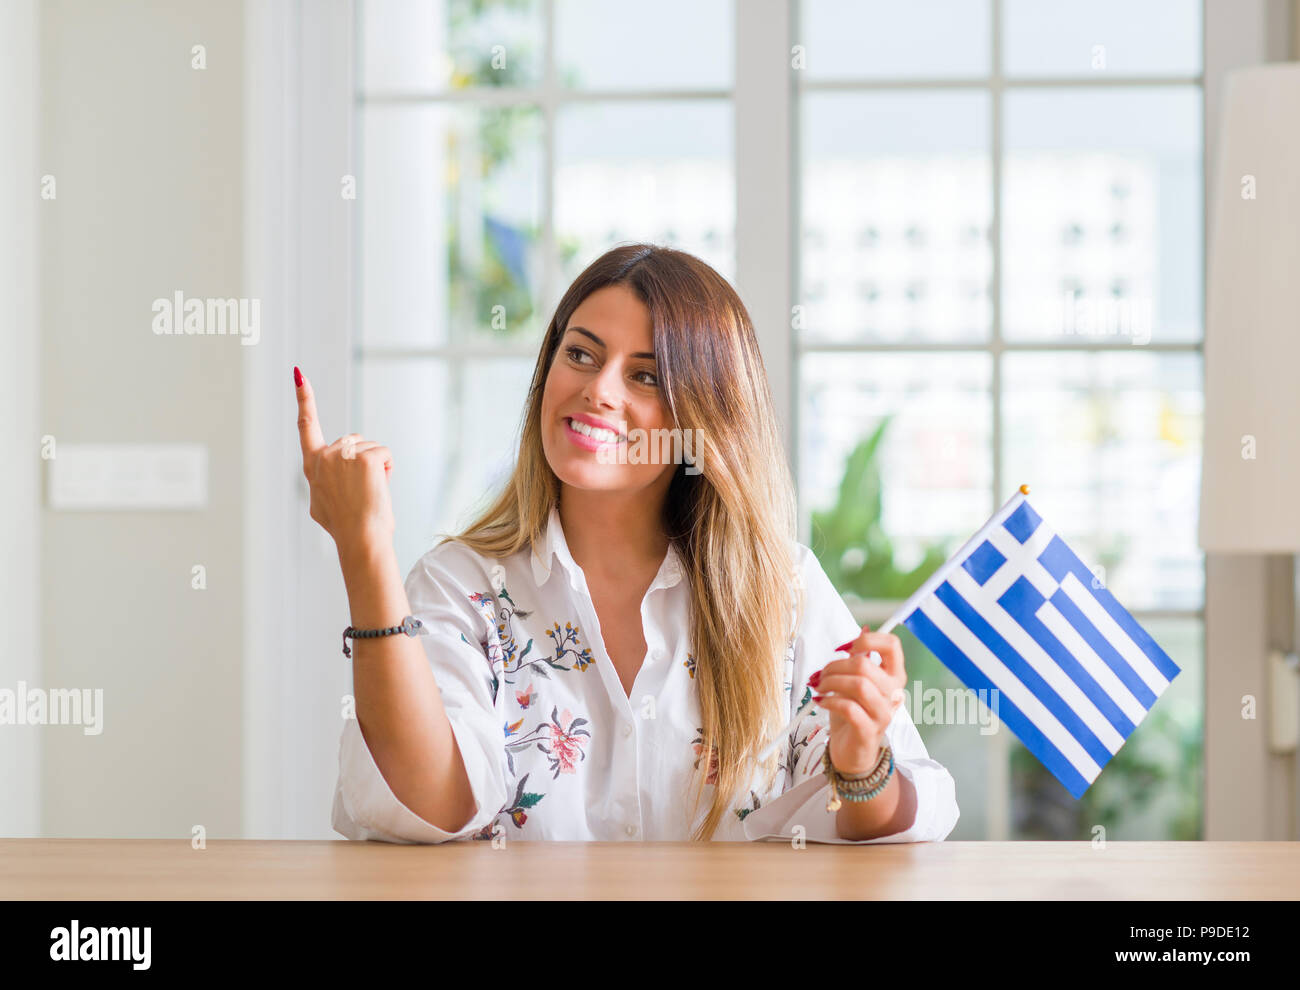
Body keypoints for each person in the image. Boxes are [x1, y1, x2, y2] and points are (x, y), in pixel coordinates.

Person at [297, 243, 958, 843]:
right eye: (580, 353)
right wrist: (366, 551)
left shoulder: (779, 586)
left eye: (645, 376)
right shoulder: (460, 583)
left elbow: (881, 820)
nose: (597, 390)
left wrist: (861, 764)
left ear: (705, 414)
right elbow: (431, 805)